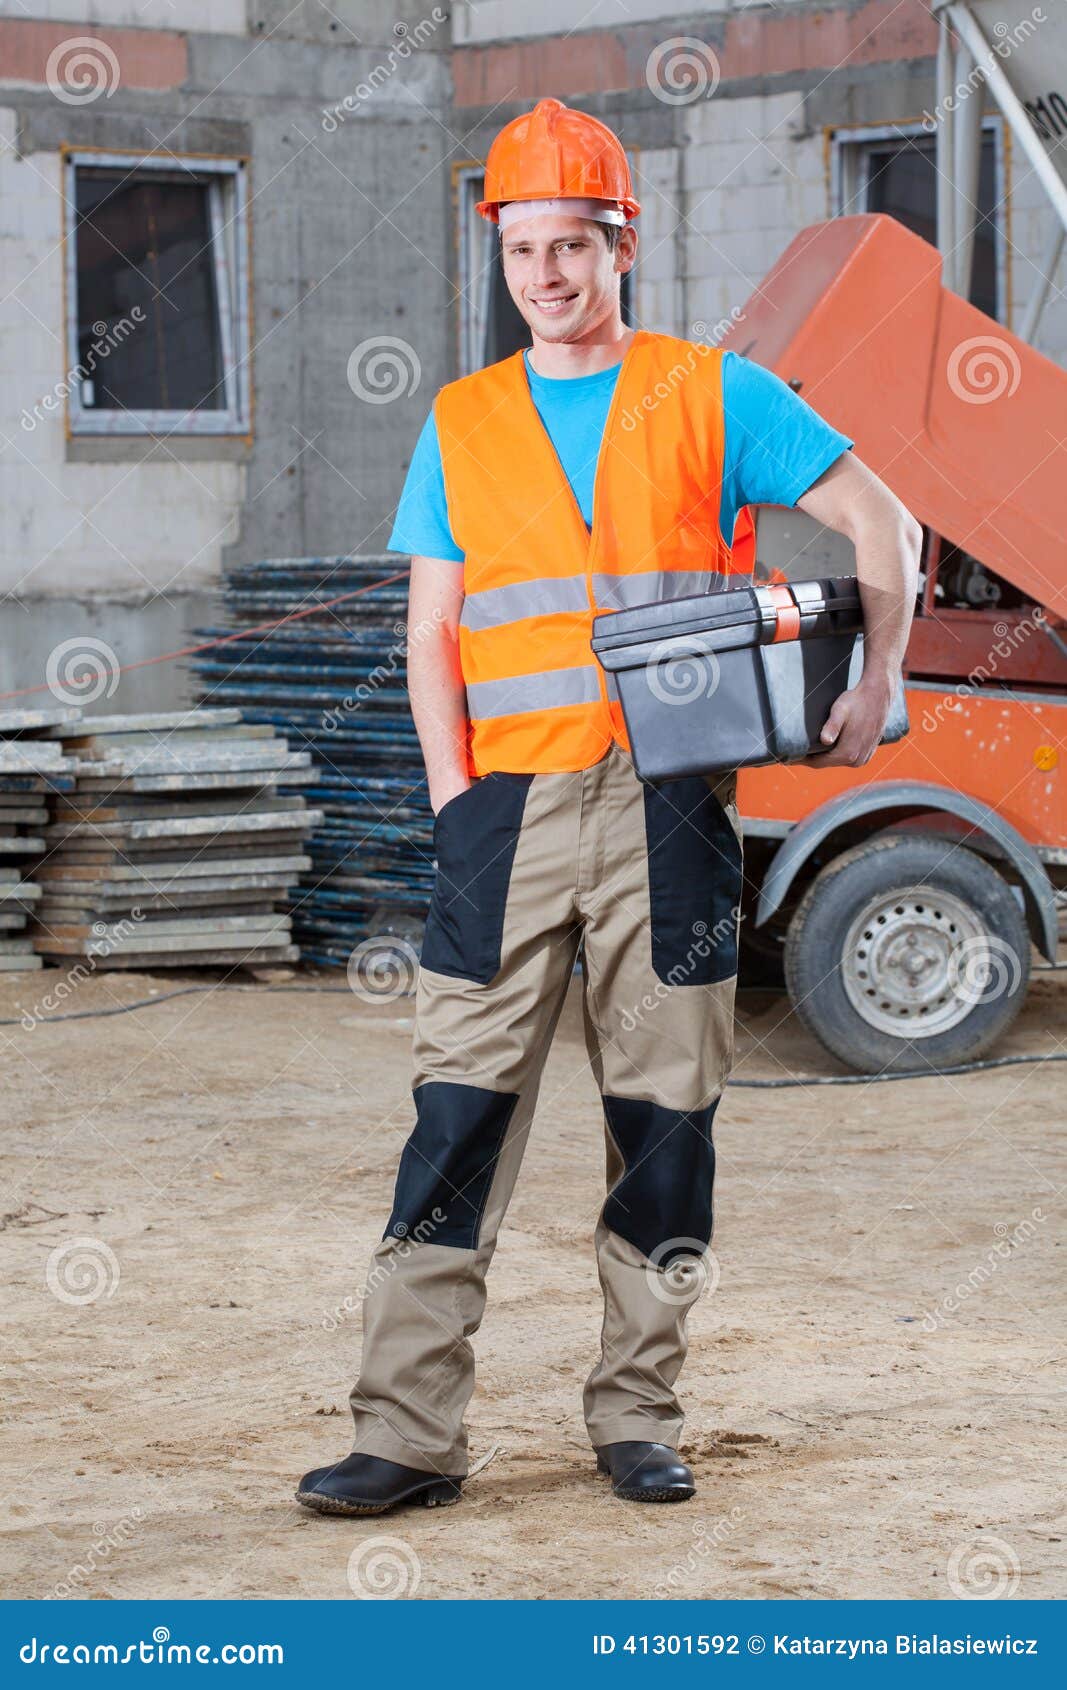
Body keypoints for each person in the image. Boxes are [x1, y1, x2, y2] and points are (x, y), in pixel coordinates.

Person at [297, 97, 921, 1516]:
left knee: (664, 1121)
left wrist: (873, 677)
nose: (549, 275)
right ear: (501, 254)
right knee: (453, 1119)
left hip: (672, 813)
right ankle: (406, 1434)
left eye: (574, 244)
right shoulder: (461, 422)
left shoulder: (713, 395)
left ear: (620, 243)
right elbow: (432, 631)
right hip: (505, 814)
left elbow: (886, 523)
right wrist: (456, 795)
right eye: (524, 249)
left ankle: (638, 1412)